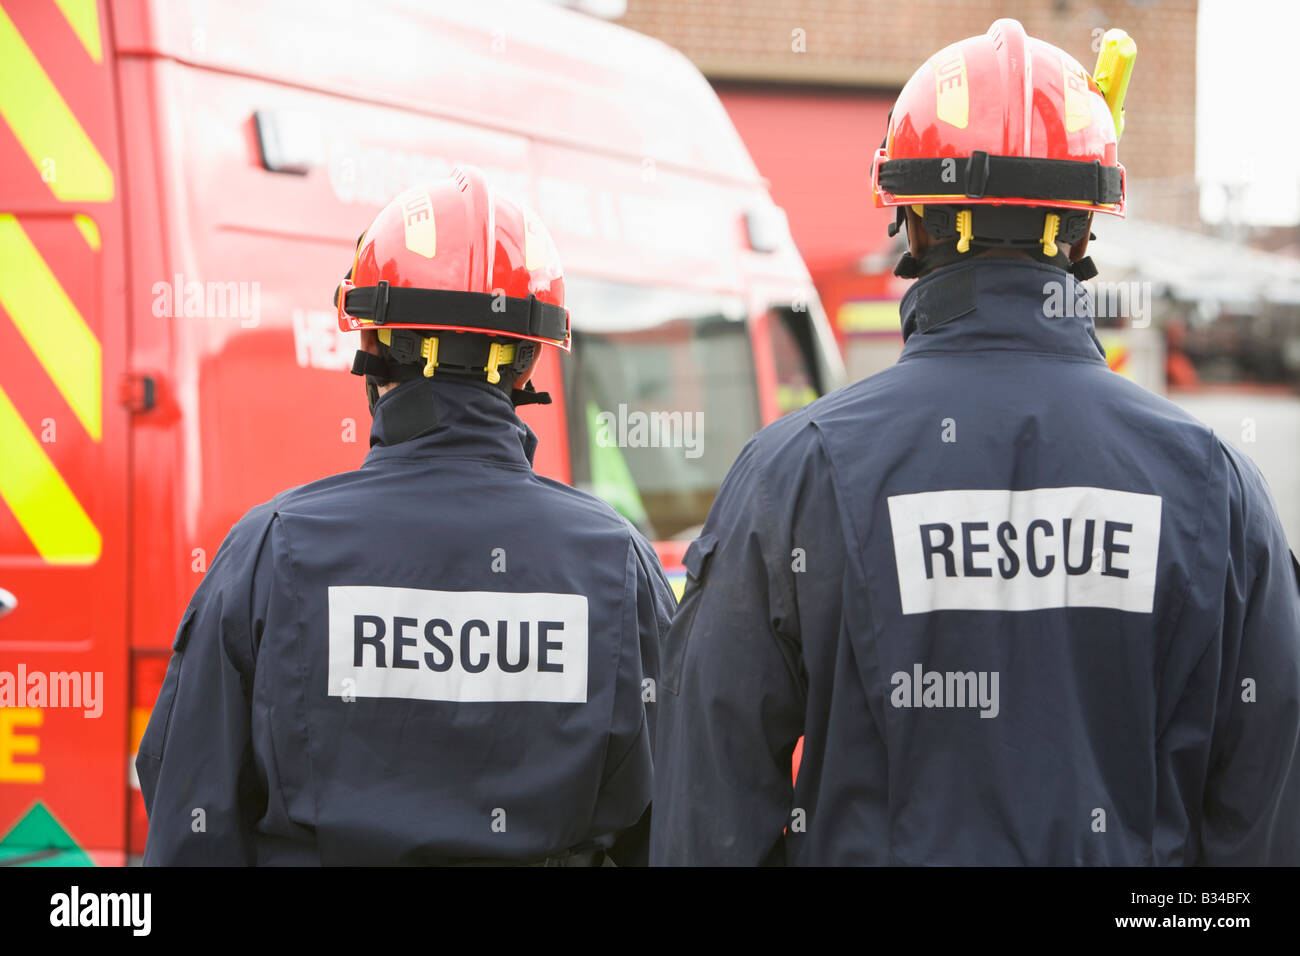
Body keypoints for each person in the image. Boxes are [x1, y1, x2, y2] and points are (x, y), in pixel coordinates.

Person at [650, 19, 1300, 865]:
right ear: (1084, 234)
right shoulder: (1215, 488)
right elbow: (1264, 820)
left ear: (911, 223)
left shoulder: (800, 472)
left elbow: (709, 810)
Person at [137, 166, 674, 865]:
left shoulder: (271, 551)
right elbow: (678, 820)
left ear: (369, 347)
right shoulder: (617, 565)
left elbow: (190, 819)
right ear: (529, 363)